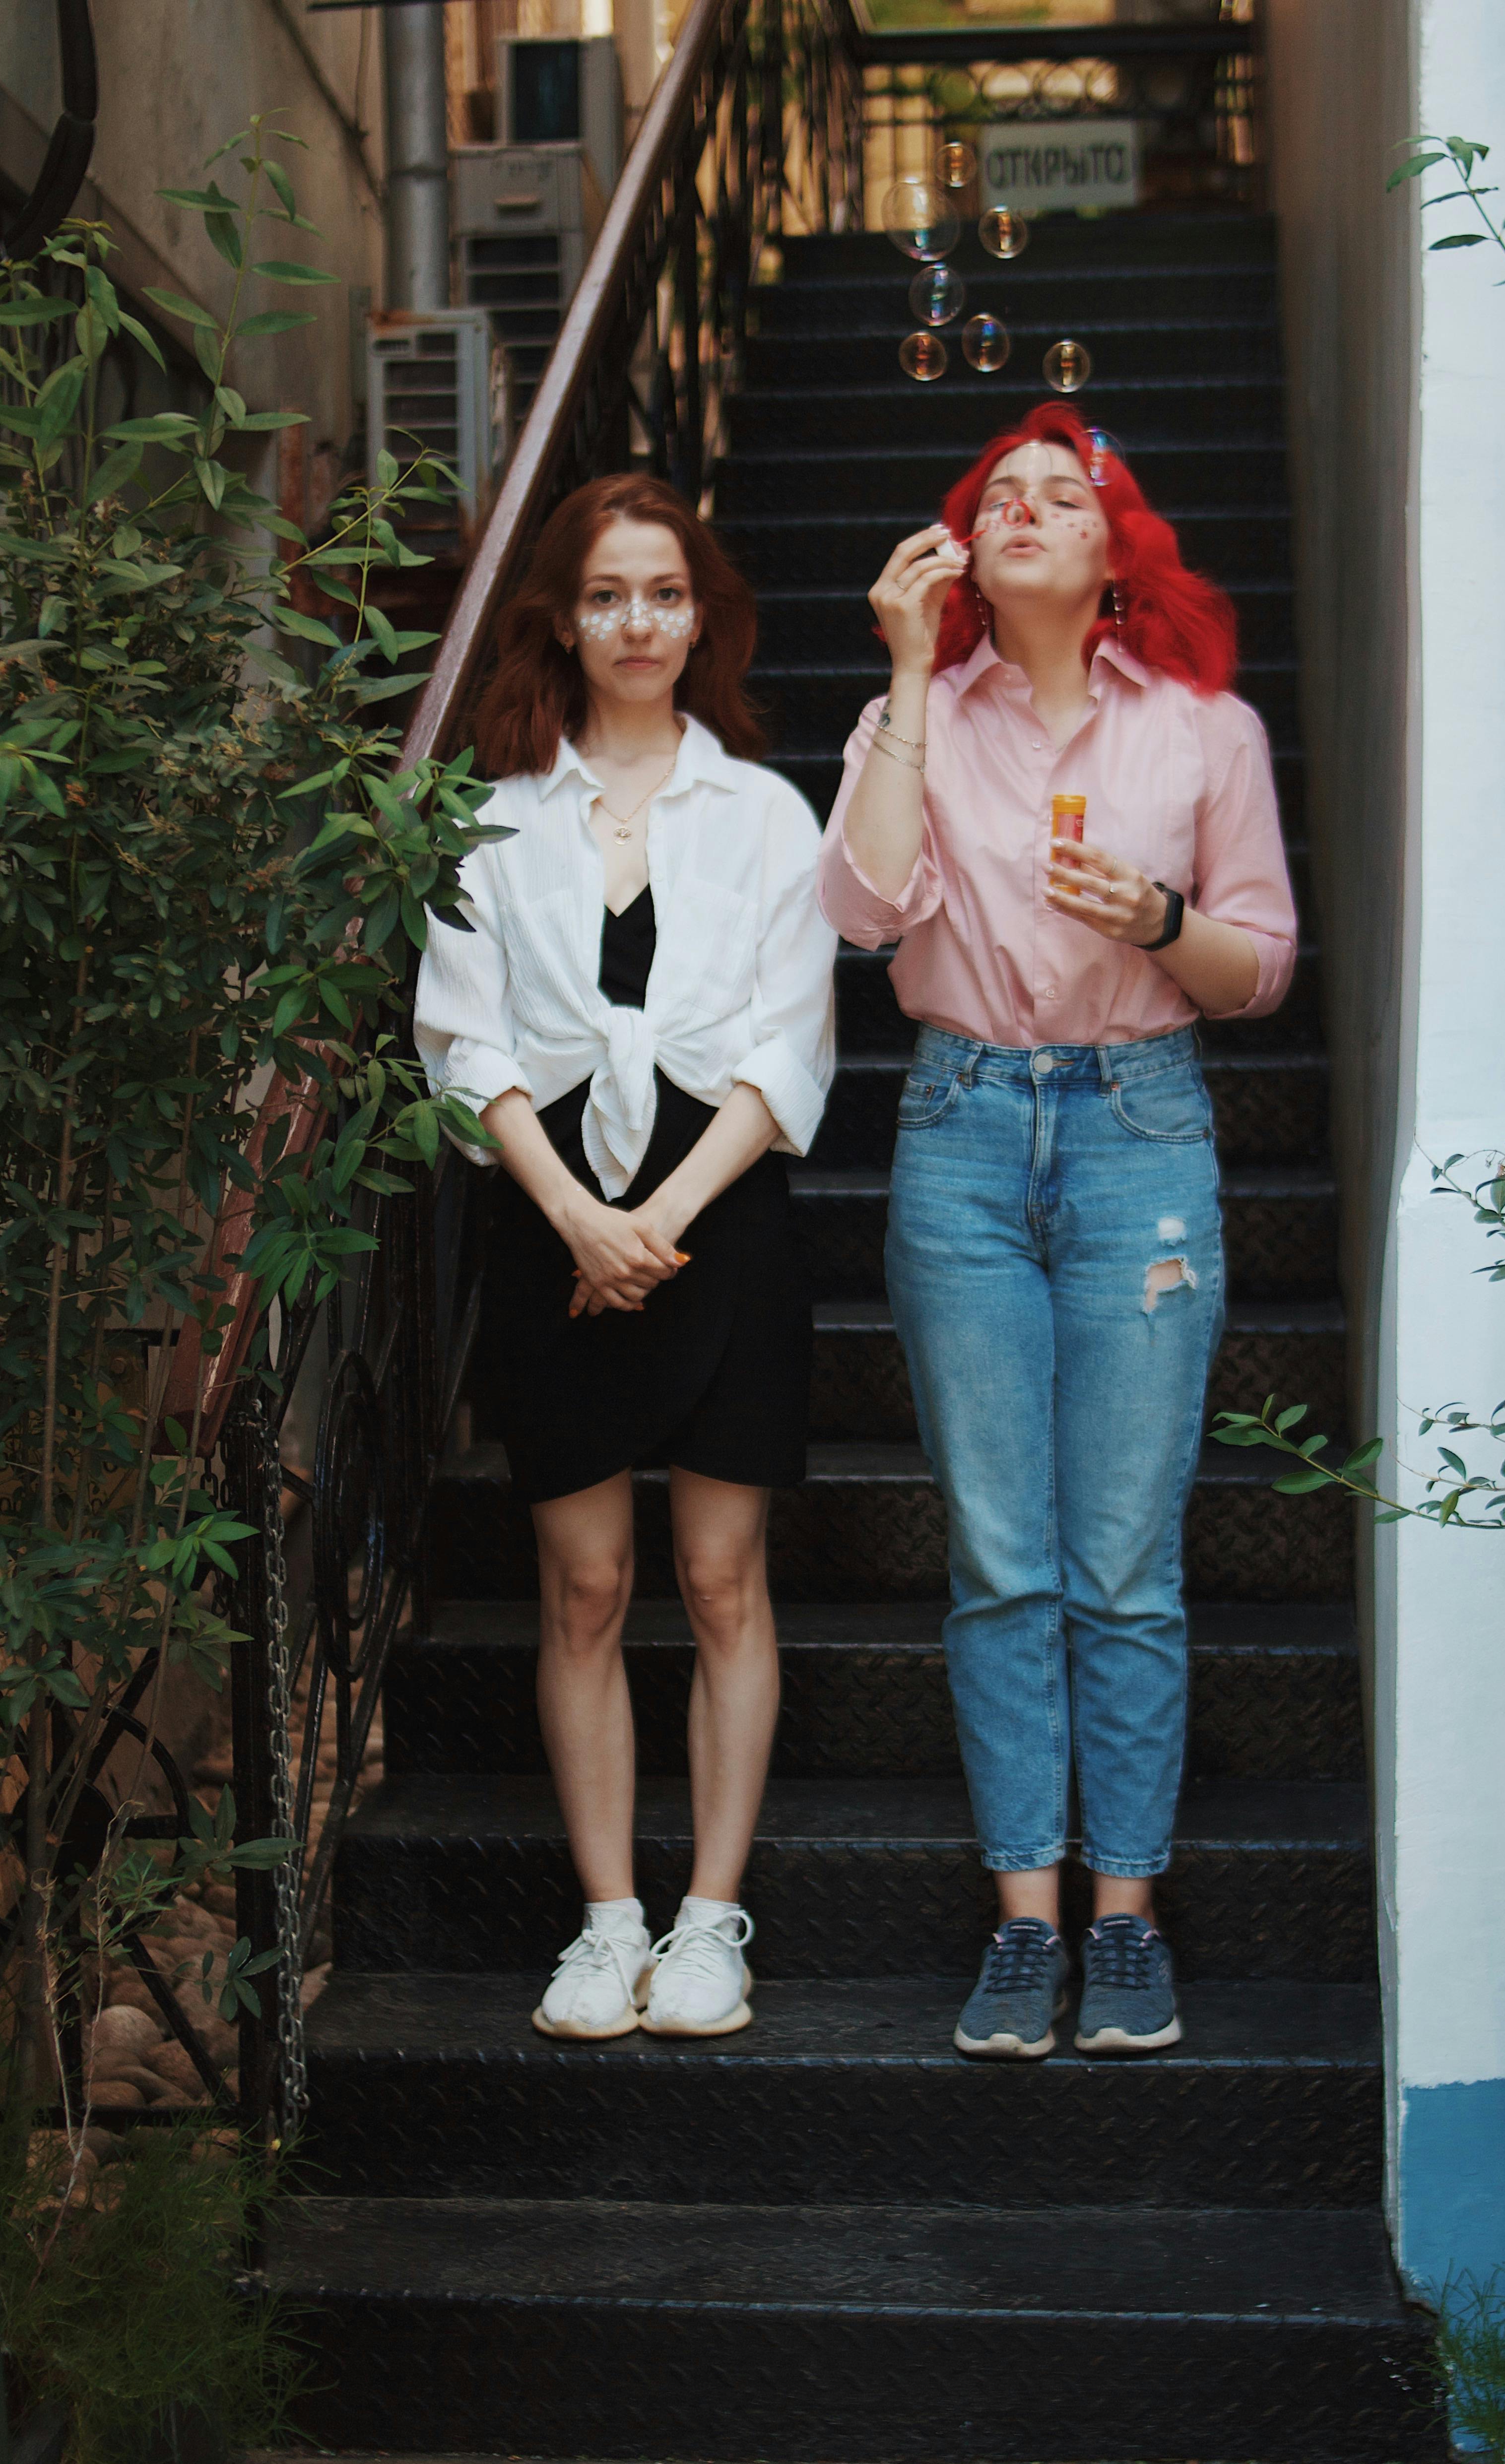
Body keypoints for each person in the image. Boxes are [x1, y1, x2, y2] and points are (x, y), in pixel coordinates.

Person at [817, 401, 1296, 2061]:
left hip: (1137, 1131)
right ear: (965, 553)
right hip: (959, 1128)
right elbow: (871, 918)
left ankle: (1128, 1922)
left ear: (1111, 550)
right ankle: (1027, 1931)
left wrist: (1162, 923)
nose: (1021, 508)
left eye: (1055, 495)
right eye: (992, 495)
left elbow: (1263, 970)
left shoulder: (1205, 733)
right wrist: (897, 671)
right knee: (1001, 1562)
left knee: (1124, 1567)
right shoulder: (928, 718)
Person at [415, 474, 836, 2044]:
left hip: (720, 1217)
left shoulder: (766, 815)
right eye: (607, 595)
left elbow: (794, 1052)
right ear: (564, 618)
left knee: (723, 1580)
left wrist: (658, 1220)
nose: (638, 622)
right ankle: (608, 1925)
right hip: (550, 1227)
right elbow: (462, 1040)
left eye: (664, 593)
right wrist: (577, 1219)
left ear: (701, 616)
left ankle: (712, 1921)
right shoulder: (497, 811)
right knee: (584, 1586)